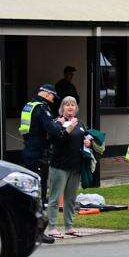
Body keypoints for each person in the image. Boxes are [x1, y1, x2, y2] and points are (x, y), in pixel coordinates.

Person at [19, 84, 68, 244]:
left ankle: (26, 230)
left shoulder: (29, 106)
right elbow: (51, 129)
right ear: (47, 94)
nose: (53, 100)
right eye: (53, 96)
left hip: (28, 152)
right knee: (39, 193)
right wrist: (60, 123)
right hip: (39, 154)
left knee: (29, 191)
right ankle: (37, 233)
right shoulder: (42, 108)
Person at [45, 97, 89, 239]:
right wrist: (68, 128)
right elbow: (55, 140)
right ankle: (52, 228)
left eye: (73, 105)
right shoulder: (57, 123)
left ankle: (69, 227)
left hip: (75, 166)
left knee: (70, 198)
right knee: (55, 198)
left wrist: (88, 141)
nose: (70, 107)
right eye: (67, 105)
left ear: (76, 108)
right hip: (59, 166)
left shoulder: (80, 123)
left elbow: (84, 136)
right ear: (62, 108)